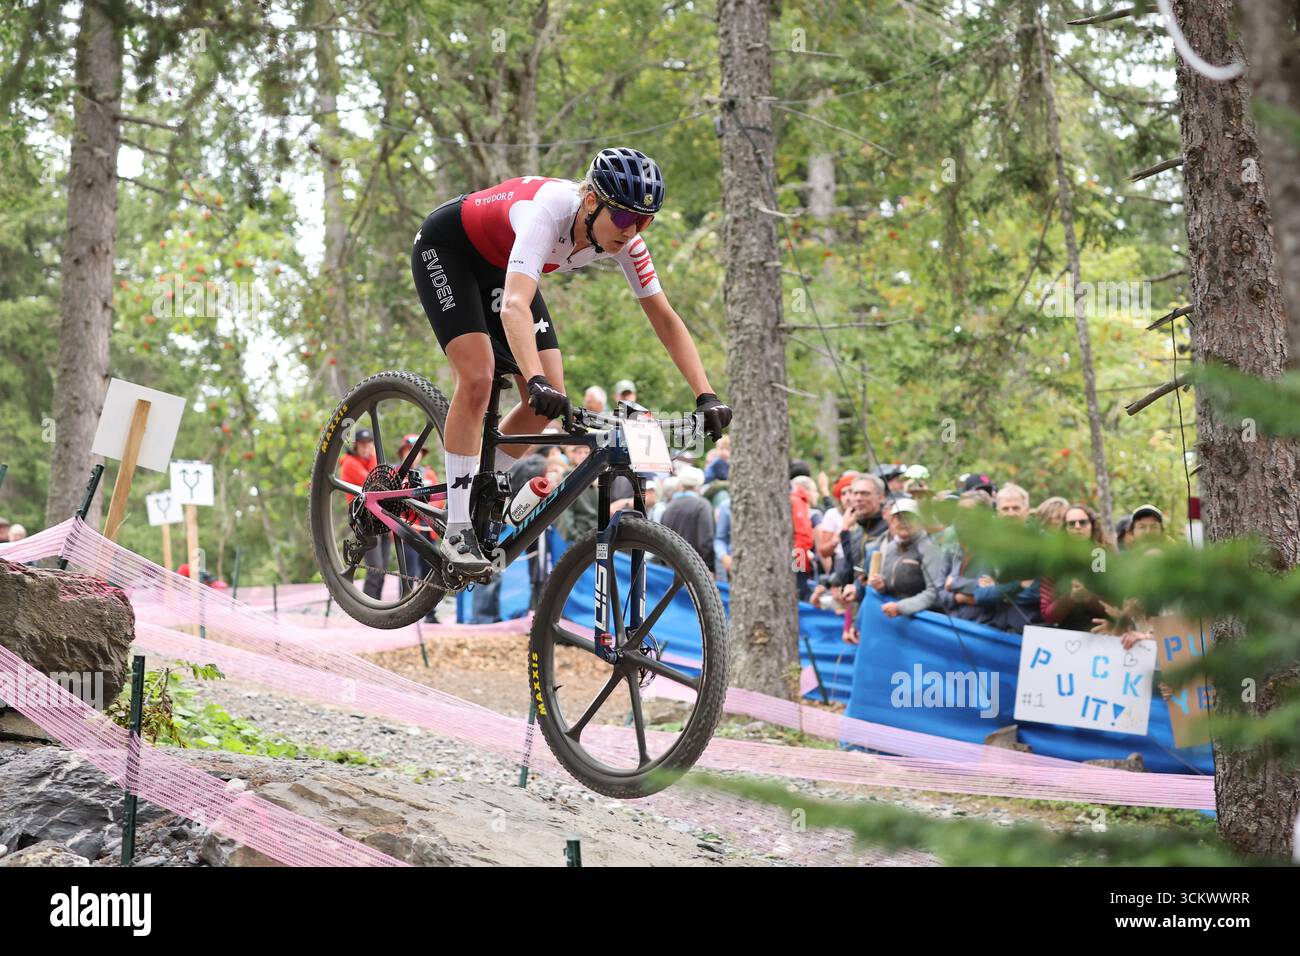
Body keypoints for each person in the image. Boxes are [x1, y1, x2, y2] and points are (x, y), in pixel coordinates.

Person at [410, 147, 732, 573]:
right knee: (479, 377)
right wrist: (535, 377)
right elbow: (513, 307)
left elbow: (665, 319)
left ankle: (475, 486)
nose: (632, 230)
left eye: (645, 221)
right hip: (448, 250)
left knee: (546, 402)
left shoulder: (626, 241)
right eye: (623, 218)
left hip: (500, 264)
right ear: (592, 200)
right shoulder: (549, 212)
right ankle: (455, 526)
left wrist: (705, 393)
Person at [1040, 503, 1111, 632]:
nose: (1077, 527)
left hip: (1103, 636)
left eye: (1082, 522)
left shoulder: (1104, 557)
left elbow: (1118, 607)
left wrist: (1088, 597)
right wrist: (1070, 598)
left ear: (1092, 526)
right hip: (1066, 637)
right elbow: (1048, 615)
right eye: (1072, 524)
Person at [871, 498, 945, 618]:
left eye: (910, 518)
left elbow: (935, 593)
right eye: (899, 517)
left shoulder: (930, 549)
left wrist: (901, 607)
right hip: (893, 617)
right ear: (892, 521)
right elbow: (890, 587)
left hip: (923, 622)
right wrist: (881, 587)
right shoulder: (888, 548)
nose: (904, 522)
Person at [338, 427, 389, 600]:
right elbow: (374, 483)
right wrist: (374, 455)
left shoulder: (367, 462)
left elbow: (379, 475)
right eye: (362, 444)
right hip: (364, 519)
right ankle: (370, 607)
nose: (366, 448)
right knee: (375, 569)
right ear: (355, 446)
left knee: (382, 570)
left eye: (369, 444)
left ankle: (377, 605)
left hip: (379, 516)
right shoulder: (350, 463)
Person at [659, 466, 714, 569]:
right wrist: (707, 568)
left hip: (670, 569)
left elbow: (661, 540)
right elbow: (705, 542)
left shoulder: (669, 506)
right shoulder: (702, 505)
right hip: (695, 571)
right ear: (698, 485)